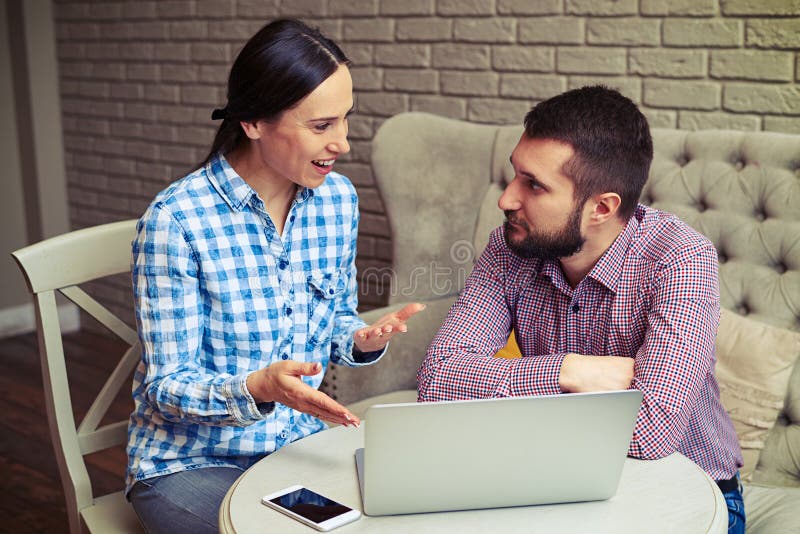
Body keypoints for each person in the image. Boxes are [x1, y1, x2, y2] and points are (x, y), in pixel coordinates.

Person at [127, 19, 423, 533]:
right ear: (253, 123)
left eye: (344, 121)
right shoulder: (177, 221)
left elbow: (329, 323)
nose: (344, 144)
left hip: (294, 449)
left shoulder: (337, 200)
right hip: (188, 463)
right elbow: (165, 387)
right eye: (321, 126)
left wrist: (358, 337)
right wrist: (258, 387)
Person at [417, 86, 745, 533]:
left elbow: (650, 431)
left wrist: (500, 387)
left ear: (602, 208)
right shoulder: (510, 247)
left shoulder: (680, 258)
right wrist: (569, 372)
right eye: (516, 175)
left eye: (534, 185)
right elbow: (437, 379)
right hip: (550, 479)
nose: (507, 199)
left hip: (684, 490)